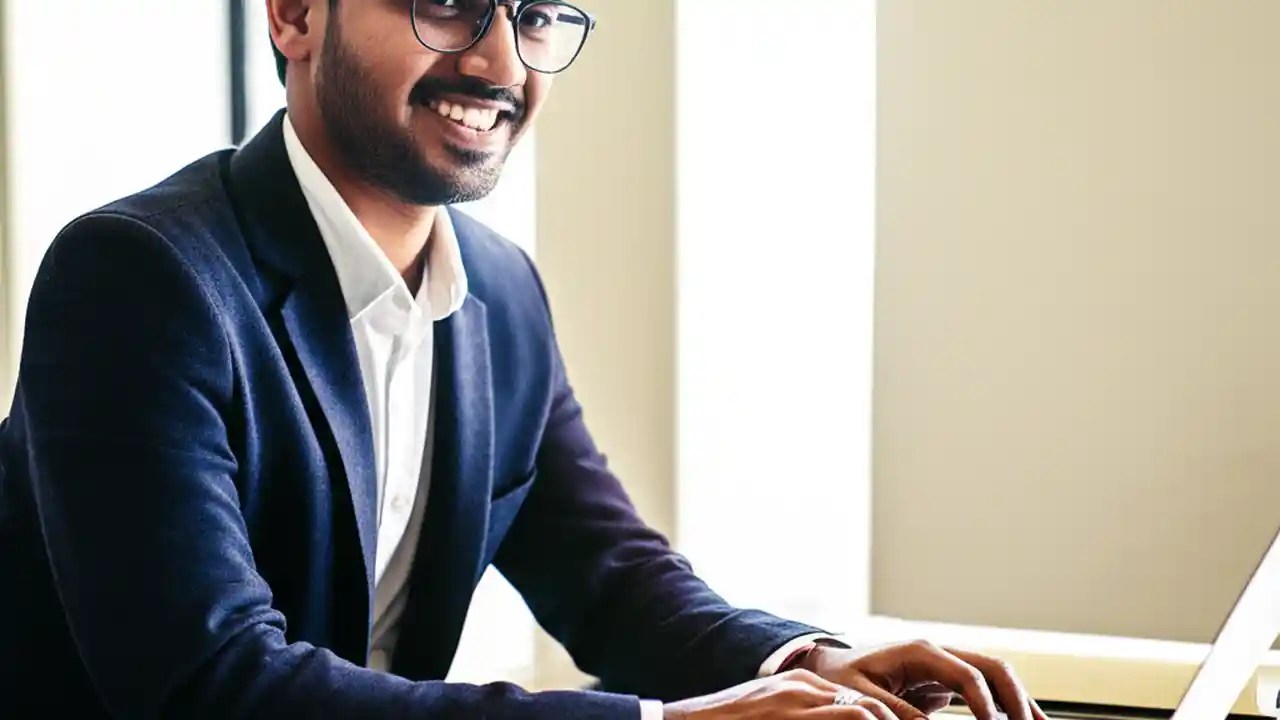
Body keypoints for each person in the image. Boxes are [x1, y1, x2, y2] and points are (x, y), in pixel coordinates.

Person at [0, 1, 1050, 718]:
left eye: (536, 14)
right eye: (447, 2)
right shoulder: (139, 278)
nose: (500, 63)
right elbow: (208, 687)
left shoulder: (500, 291)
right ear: (292, 12)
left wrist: (808, 663)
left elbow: (607, 578)